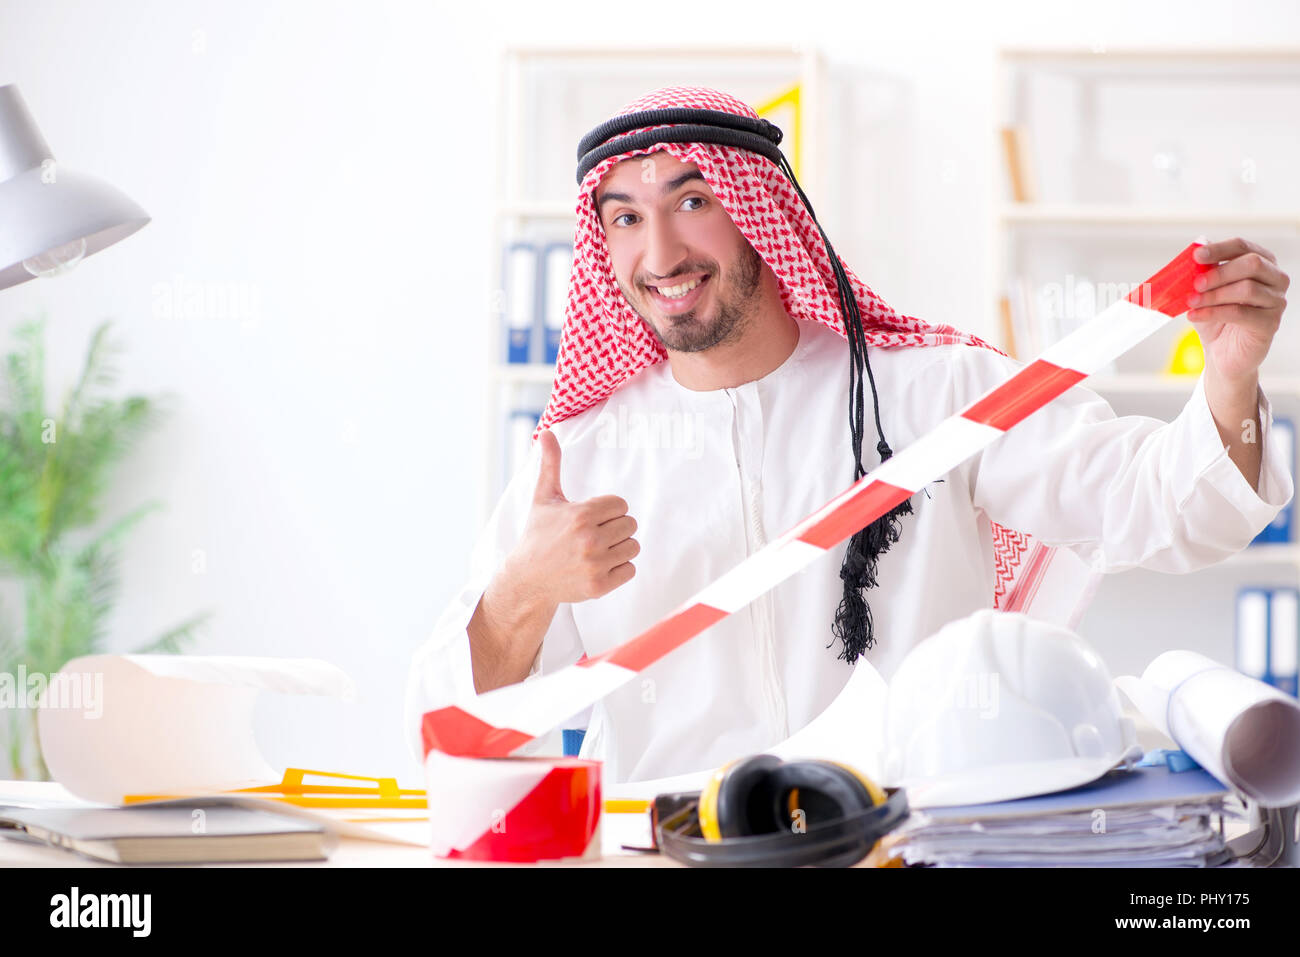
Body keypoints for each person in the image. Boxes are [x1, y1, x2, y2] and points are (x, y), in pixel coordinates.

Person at [405, 86, 1293, 785]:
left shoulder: (940, 388)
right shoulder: (581, 454)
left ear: (760, 210)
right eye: (626, 217)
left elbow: (1168, 511)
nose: (661, 252)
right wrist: (524, 591)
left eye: (692, 200)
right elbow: (450, 736)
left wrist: (1230, 375)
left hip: (912, 838)